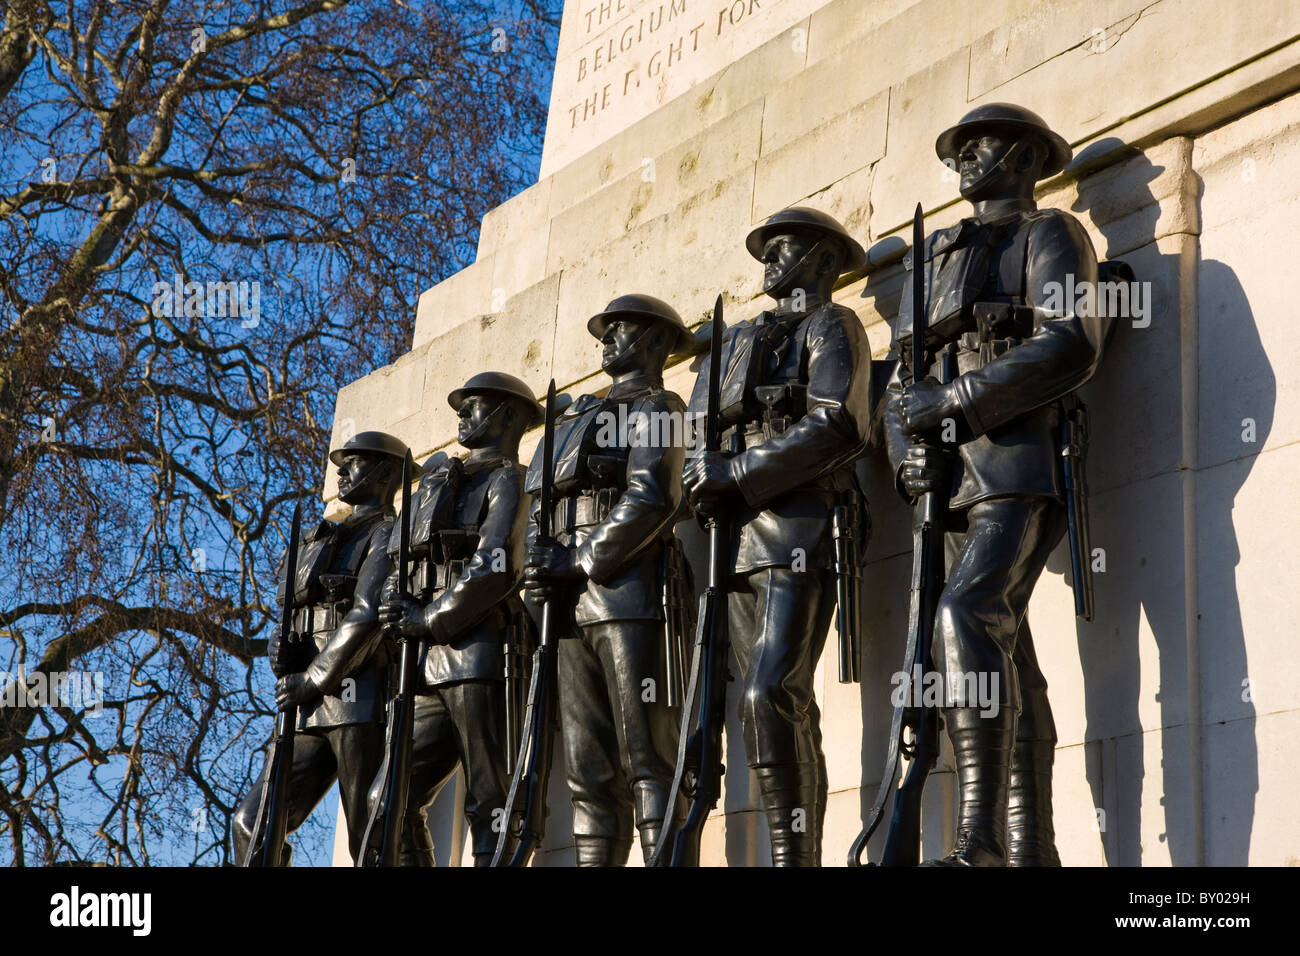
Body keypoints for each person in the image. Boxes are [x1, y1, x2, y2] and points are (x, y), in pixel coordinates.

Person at [884, 103, 1105, 866]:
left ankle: (978, 838)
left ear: (1021, 155)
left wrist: (954, 403)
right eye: (959, 150)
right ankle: (1032, 847)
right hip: (943, 484)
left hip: (1015, 458)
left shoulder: (1051, 234)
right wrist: (902, 459)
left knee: (968, 613)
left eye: (979, 146)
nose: (964, 159)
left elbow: (1070, 342)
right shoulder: (934, 260)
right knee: (1005, 651)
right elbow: (895, 386)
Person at [681, 208, 873, 866]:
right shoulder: (730, 344)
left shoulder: (832, 324)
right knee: (763, 706)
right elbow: (690, 442)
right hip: (731, 543)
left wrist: (734, 471)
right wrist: (700, 478)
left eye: (784, 250)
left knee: (772, 690)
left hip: (800, 527)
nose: (769, 261)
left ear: (822, 261)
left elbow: (838, 424)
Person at [523, 294, 695, 866]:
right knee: (587, 773)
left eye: (619, 329)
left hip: (631, 594)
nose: (606, 338)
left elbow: (653, 496)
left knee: (650, 761)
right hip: (570, 607)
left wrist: (576, 561)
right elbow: (536, 518)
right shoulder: (572, 424)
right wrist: (538, 576)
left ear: (653, 341)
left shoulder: (660, 406)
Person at [373, 372, 541, 866]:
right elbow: (397, 563)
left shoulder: (508, 478)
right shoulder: (438, 487)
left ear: (507, 415)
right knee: (384, 800)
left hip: (480, 655)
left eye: (474, 407)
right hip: (426, 666)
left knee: (491, 802)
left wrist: (427, 618)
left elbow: (494, 566)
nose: (461, 417)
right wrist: (393, 604)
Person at [233, 431, 412, 865]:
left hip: (357, 697)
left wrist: (313, 679)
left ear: (386, 472)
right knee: (251, 823)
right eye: (342, 463)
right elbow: (298, 614)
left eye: (354, 463)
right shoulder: (325, 539)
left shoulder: (388, 533)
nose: (341, 471)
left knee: (369, 834)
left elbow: (367, 613)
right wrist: (281, 646)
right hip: (306, 702)